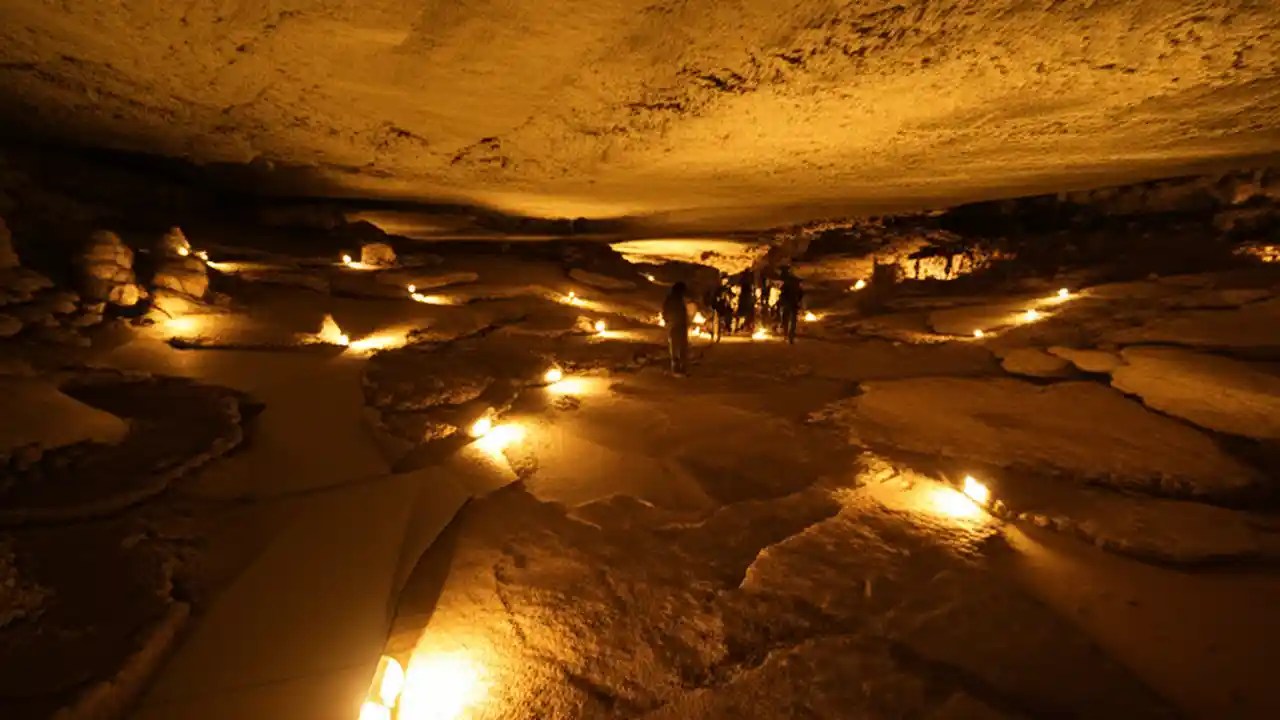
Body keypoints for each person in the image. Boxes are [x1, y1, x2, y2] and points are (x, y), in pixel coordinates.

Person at [662, 281, 690, 374]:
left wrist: (667, 320)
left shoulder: (671, 299)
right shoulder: (677, 300)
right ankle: (679, 367)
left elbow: (665, 312)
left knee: (675, 346)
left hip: (674, 325)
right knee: (680, 346)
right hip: (678, 325)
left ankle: (677, 366)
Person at [778, 266, 803, 344]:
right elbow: (800, 292)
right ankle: (790, 336)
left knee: (785, 318)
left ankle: (786, 335)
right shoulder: (795, 281)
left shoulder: (784, 282)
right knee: (792, 320)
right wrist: (799, 301)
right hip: (793, 302)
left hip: (786, 302)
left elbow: (782, 293)